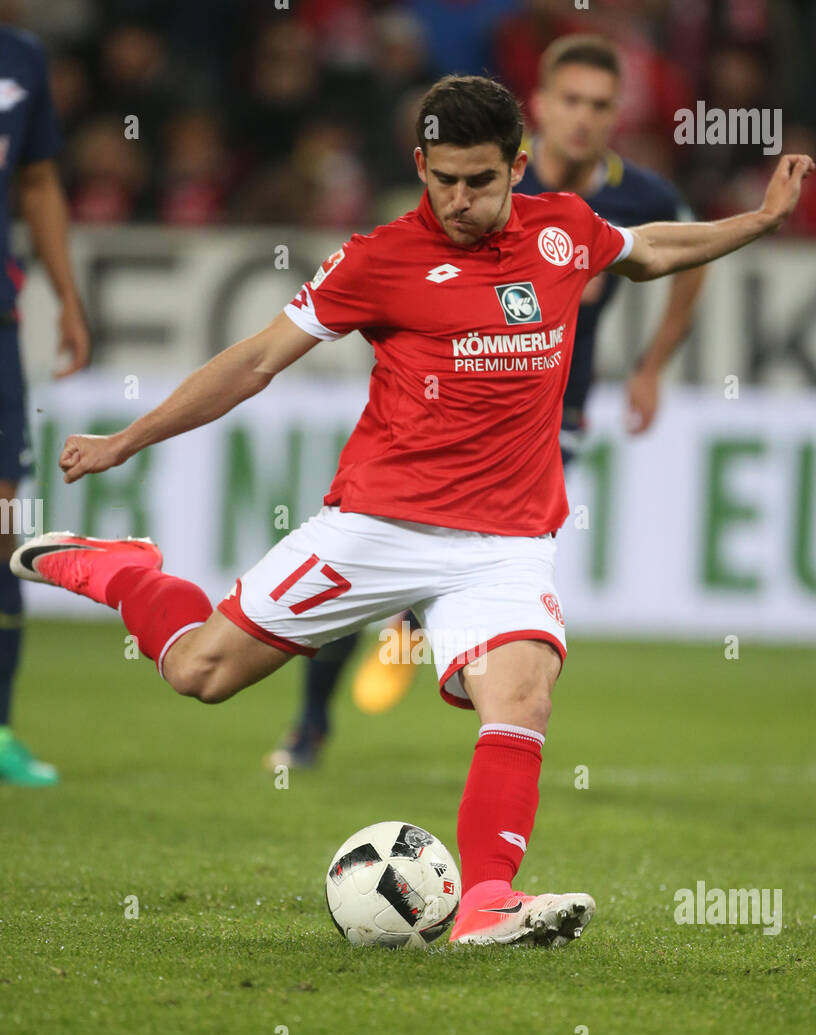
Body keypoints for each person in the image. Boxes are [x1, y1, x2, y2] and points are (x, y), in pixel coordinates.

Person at [13, 76, 813, 945]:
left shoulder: (564, 229)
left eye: (481, 180)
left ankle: (488, 902)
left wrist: (760, 221)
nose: (459, 200)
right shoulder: (379, 258)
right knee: (200, 674)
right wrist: (126, 441)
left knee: (525, 694)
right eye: (443, 180)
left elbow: (649, 248)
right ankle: (124, 570)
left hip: (506, 541)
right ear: (420, 165)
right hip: (377, 528)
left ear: (518, 165)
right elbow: (253, 362)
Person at [268, 32, 706, 772]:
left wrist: (653, 364)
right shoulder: (488, 182)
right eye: (570, 100)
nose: (584, 117)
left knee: (477, 553)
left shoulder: (643, 197)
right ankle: (314, 718)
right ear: (539, 104)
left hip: (550, 416)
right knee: (364, 556)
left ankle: (429, 638)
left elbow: (682, 260)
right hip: (435, 411)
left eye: (601, 105)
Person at [0, 24, 90, 786]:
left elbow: (36, 181)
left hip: (0, 317)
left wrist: (66, 296)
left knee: (3, 520)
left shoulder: (24, 54)